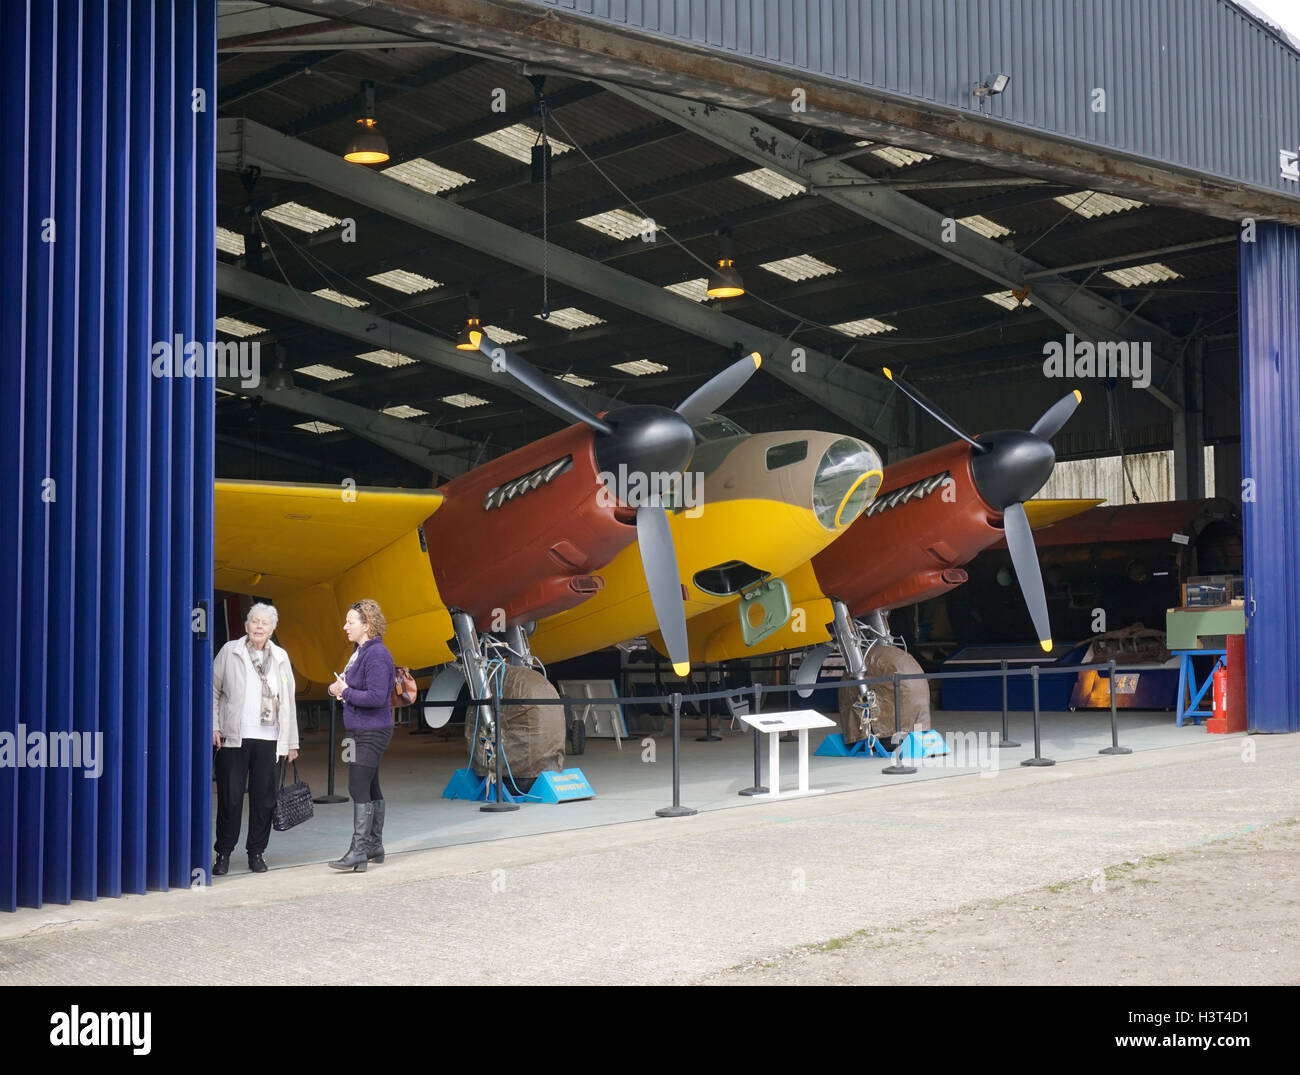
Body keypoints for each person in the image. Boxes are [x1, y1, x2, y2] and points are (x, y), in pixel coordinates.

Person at [212, 602, 299, 876]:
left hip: (269, 739)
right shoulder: (230, 651)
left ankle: (257, 852)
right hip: (234, 738)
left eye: (265, 623)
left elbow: (289, 703)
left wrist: (291, 742)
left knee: (264, 800)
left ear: (273, 629)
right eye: (255, 621)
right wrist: (214, 726)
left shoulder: (282, 657)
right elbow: (213, 691)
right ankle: (223, 853)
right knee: (231, 798)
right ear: (247, 625)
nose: (259, 626)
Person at [327, 598, 395, 872]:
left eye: (350, 622)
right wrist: (338, 689)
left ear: (367, 625)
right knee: (369, 785)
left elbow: (378, 696)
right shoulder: (361, 652)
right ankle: (373, 846)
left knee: (357, 785)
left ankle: (359, 850)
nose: (345, 627)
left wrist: (345, 692)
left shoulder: (376, 654)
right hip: (359, 729)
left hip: (371, 730)